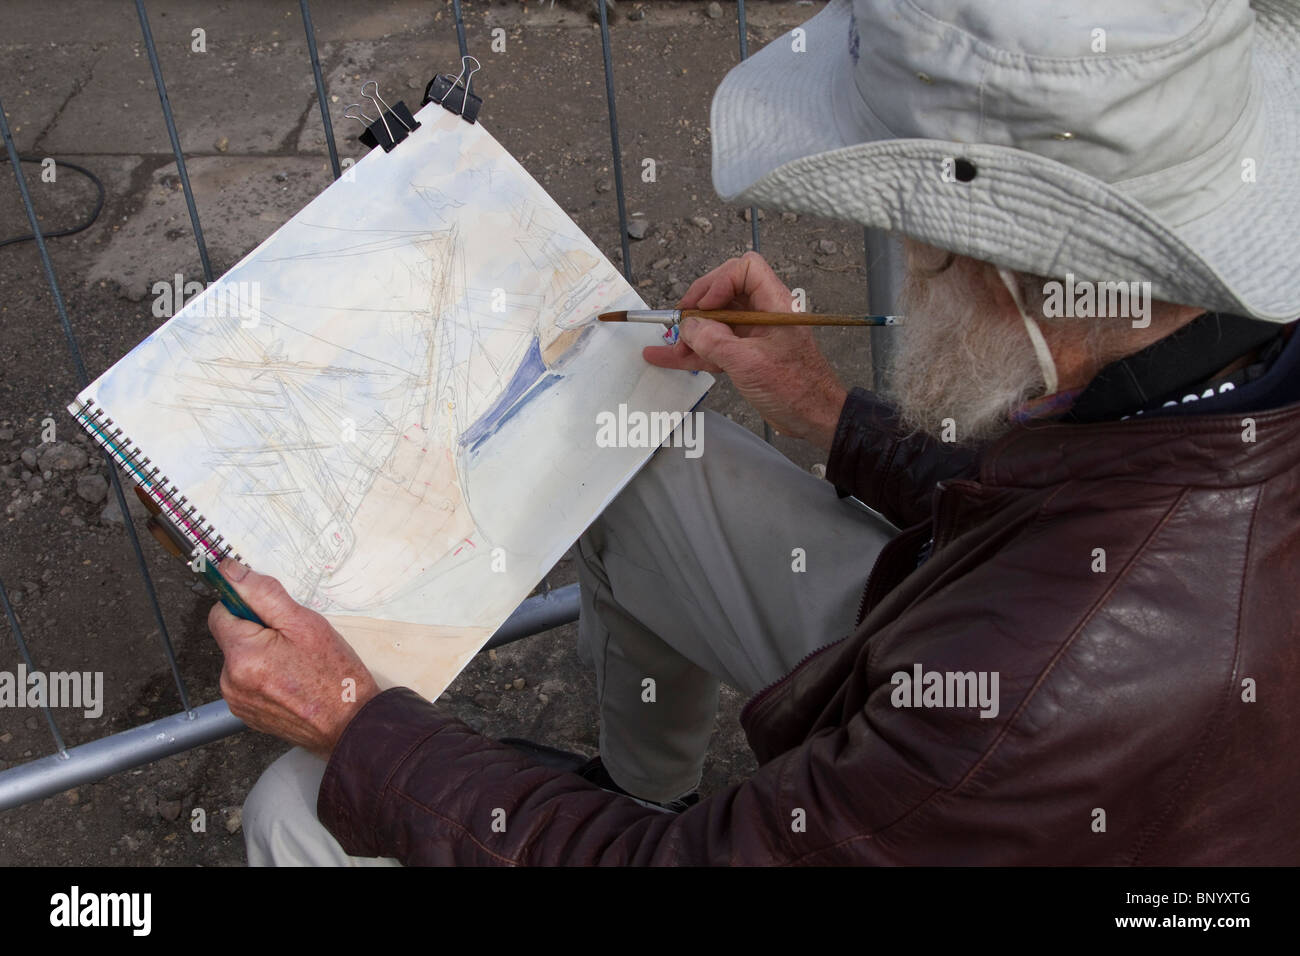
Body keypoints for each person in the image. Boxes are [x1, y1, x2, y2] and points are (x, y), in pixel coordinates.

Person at [212, 0, 1300, 864]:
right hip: (985, 670)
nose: (895, 254)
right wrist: (821, 406)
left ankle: (626, 807)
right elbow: (1056, 506)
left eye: (909, 233)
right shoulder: (1195, 362)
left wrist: (356, 721)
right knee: (645, 462)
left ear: (998, 273)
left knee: (301, 807)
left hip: (991, 729)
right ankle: (643, 782)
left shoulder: (1028, 694)